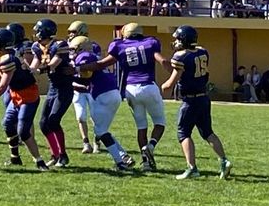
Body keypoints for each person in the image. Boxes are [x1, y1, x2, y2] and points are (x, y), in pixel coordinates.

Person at [94, 23, 168, 172]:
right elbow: (162, 60)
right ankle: (151, 147)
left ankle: (146, 163)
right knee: (159, 123)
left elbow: (102, 63)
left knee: (141, 127)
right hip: (149, 86)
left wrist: (80, 68)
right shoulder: (151, 42)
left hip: (131, 88)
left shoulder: (119, 45)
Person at [161, 25, 232, 180]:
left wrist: (163, 86)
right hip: (204, 98)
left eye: (178, 39)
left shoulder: (180, 57)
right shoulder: (202, 51)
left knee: (183, 133)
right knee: (208, 132)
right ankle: (224, 161)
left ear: (185, 40)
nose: (176, 42)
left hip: (190, 100)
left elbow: (171, 83)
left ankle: (192, 168)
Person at [0, 27, 48, 171]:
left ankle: (39, 161)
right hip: (17, 94)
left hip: (28, 96)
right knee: (7, 124)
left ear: (1, 43)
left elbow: (3, 85)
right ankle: (15, 158)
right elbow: (4, 71)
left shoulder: (8, 58)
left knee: (23, 131)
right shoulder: (8, 55)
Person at [71, 35, 134, 171]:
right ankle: (123, 156)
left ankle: (120, 163)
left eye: (74, 49)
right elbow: (87, 79)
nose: (72, 52)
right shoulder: (92, 56)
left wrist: (70, 75)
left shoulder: (85, 57)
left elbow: (85, 78)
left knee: (100, 131)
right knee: (102, 130)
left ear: (81, 48)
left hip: (104, 95)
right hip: (112, 93)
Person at [32, 19, 73, 167]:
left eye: (38, 30)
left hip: (64, 87)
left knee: (54, 120)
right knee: (43, 123)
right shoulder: (37, 47)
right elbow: (35, 64)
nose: (36, 34)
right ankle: (55, 154)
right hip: (53, 87)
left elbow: (52, 64)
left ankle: (63, 155)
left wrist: (38, 70)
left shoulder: (60, 45)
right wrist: (28, 70)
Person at [65, 21, 94, 152]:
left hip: (92, 87)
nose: (71, 35)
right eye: (70, 32)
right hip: (76, 86)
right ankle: (86, 143)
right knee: (81, 117)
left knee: (95, 117)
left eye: (73, 32)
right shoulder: (66, 46)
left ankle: (97, 141)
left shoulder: (92, 46)